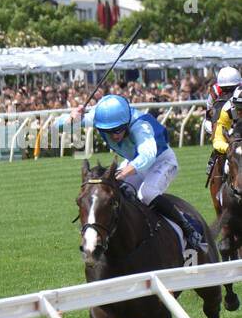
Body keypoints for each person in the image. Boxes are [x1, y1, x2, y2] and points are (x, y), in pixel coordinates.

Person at [71, 94, 204, 251]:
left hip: (161, 161)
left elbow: (147, 157)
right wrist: (73, 118)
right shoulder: (101, 118)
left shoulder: (140, 127)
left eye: (118, 130)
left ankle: (188, 227)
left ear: (126, 123)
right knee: (114, 192)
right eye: (108, 131)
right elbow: (61, 124)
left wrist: (122, 174)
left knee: (146, 194)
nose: (114, 135)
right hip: (134, 161)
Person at [207, 66, 241, 183]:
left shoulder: (214, 96)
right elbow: (217, 140)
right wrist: (230, 148)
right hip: (226, 139)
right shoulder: (224, 109)